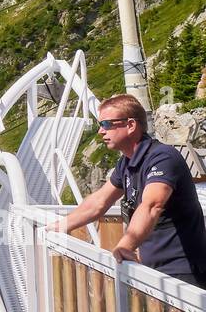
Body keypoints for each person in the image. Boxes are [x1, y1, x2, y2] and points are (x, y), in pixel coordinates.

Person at [50, 94, 206, 287]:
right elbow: (99, 202)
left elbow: (152, 205)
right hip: (153, 271)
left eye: (106, 124)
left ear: (130, 125)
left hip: (183, 274)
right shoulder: (127, 162)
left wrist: (125, 245)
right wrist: (60, 225)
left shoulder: (162, 157)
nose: (100, 131)